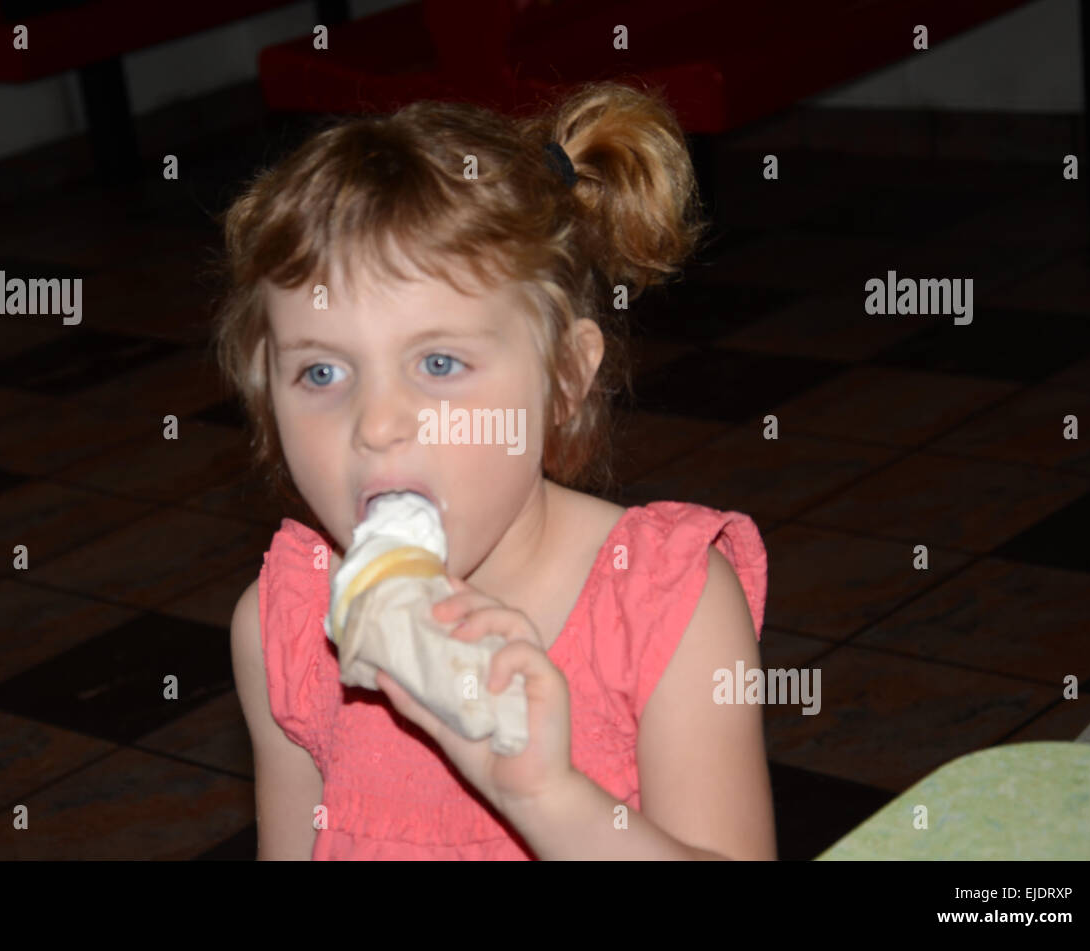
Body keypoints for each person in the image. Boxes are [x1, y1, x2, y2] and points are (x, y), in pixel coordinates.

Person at [213, 79, 775, 860]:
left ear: (564, 379)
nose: (376, 425)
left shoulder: (667, 610)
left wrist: (542, 796)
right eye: (320, 374)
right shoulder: (284, 628)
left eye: (439, 362)